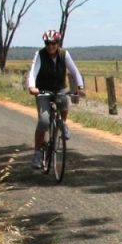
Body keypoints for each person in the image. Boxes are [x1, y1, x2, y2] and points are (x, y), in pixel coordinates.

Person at [25, 29, 85, 169]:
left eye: (54, 43)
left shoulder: (64, 54)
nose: (50, 46)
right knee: (44, 121)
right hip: (43, 90)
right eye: (48, 43)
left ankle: (62, 123)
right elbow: (33, 72)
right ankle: (37, 154)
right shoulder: (40, 54)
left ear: (58, 43)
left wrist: (80, 87)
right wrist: (32, 87)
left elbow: (75, 71)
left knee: (64, 101)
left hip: (59, 88)